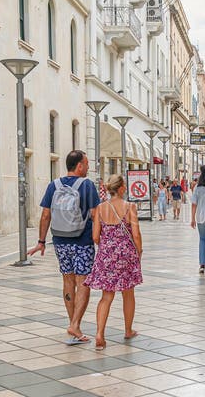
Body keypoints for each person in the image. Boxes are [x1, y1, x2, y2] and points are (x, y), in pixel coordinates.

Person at [28, 150, 101, 344]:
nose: (87, 167)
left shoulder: (54, 185)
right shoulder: (87, 186)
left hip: (60, 240)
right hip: (82, 241)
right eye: (86, 164)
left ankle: (73, 324)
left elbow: (45, 215)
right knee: (83, 282)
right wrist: (101, 240)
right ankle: (75, 325)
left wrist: (41, 242)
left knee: (67, 281)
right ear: (79, 166)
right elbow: (95, 215)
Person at [86, 175, 143, 351]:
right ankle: (128, 329)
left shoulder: (100, 208)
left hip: (106, 254)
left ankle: (99, 334)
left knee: (106, 296)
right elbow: (136, 233)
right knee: (128, 293)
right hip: (126, 254)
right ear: (120, 188)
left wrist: (107, 246)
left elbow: (95, 236)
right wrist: (138, 251)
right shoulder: (130, 207)